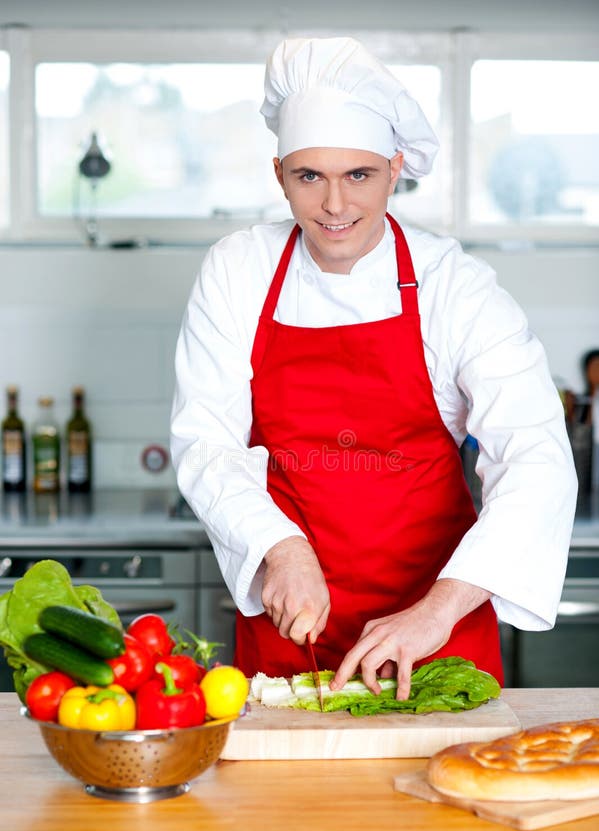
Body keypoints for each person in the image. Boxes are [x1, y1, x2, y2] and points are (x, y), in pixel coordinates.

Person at [171, 36, 577, 699]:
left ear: (394, 169)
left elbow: (534, 456)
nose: (334, 206)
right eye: (310, 177)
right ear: (279, 174)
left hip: (435, 627)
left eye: (357, 175)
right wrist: (279, 547)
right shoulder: (238, 270)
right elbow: (206, 439)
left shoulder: (455, 286)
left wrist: (437, 612)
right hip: (291, 619)